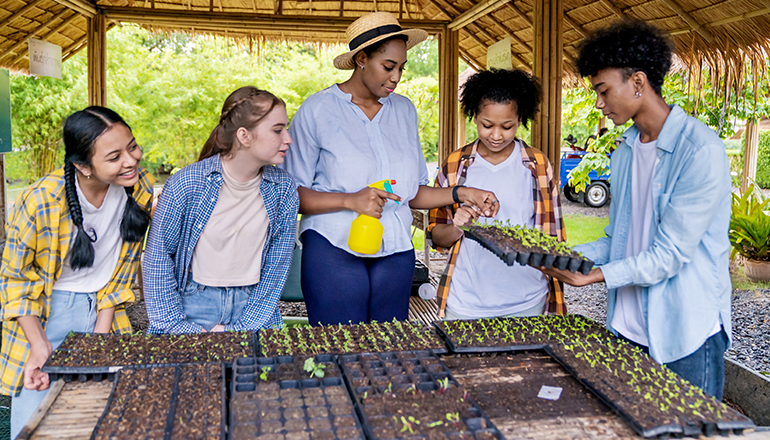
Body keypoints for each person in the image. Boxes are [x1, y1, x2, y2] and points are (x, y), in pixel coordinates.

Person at [541, 20, 731, 399]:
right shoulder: (626, 149)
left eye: (603, 90)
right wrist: (567, 257)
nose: (599, 103)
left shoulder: (700, 151)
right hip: (626, 330)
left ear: (638, 83)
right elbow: (619, 238)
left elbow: (669, 255)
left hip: (683, 334)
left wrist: (591, 277)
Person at [282, 12, 498, 326]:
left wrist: (461, 192)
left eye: (401, 68)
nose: (396, 77)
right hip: (333, 247)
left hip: (396, 250)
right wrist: (350, 201)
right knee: (339, 351)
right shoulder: (317, 111)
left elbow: (410, 193)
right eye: (388, 67)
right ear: (361, 59)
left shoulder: (404, 111)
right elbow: (291, 195)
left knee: (388, 352)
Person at [0, 106, 153, 438]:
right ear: (83, 166)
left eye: (132, 146)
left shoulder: (139, 189)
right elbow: (15, 280)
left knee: (104, 420)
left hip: (104, 312)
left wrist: (102, 331)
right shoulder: (41, 200)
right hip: (46, 315)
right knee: (38, 423)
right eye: (114, 157)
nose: (130, 160)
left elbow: (123, 269)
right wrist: (38, 344)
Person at [143, 86, 298, 333]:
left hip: (256, 307)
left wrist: (242, 329)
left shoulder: (283, 188)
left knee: (264, 372)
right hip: (191, 306)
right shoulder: (187, 183)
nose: (288, 138)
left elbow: (277, 265)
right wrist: (178, 326)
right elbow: (158, 257)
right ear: (244, 136)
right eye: (278, 130)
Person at [428, 69, 567, 320]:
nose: (496, 135)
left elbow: (554, 237)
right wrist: (461, 227)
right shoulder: (454, 165)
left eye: (507, 126)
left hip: (527, 300)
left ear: (520, 119)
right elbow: (438, 235)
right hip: (466, 302)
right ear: (474, 116)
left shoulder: (538, 165)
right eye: (487, 125)